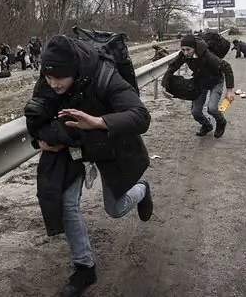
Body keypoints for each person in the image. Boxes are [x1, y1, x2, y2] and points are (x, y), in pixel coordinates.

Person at [23, 35, 153, 296]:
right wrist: (39, 141)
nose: (52, 83)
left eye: (59, 78)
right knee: (66, 202)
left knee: (115, 209)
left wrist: (98, 122)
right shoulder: (49, 75)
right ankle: (85, 267)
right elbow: (38, 113)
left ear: (74, 70)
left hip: (107, 140)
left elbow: (141, 117)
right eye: (48, 77)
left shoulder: (104, 75)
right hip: (72, 140)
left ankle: (141, 191)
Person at [163, 33, 236, 138]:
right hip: (201, 82)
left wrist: (230, 90)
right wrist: (164, 86)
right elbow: (172, 67)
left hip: (216, 81)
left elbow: (226, 67)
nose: (186, 53)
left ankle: (221, 122)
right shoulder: (183, 55)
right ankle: (207, 125)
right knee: (196, 112)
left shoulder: (207, 55)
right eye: (183, 50)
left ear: (194, 48)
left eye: (188, 50)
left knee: (212, 108)